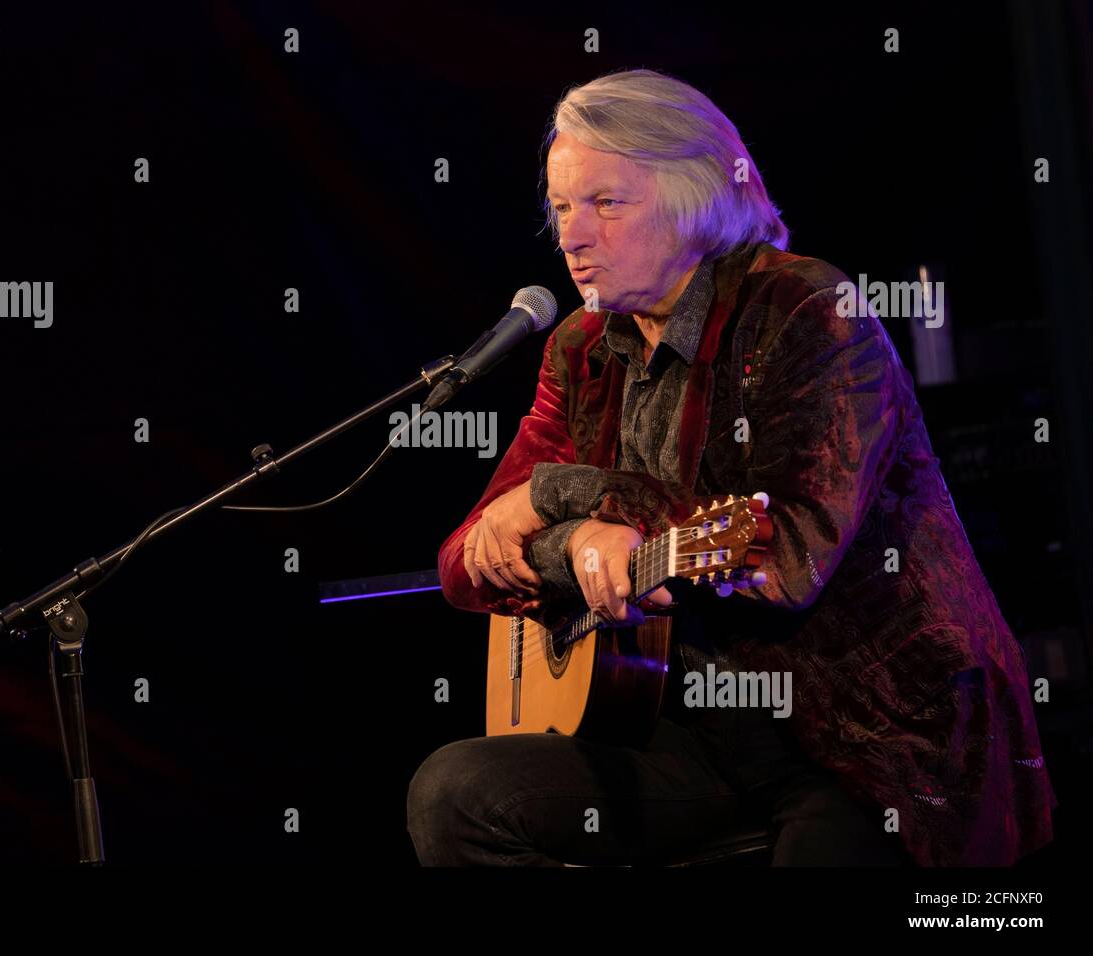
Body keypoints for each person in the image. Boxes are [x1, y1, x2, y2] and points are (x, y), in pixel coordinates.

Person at [406, 68, 1056, 867]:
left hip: (860, 738)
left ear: (695, 200)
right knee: (451, 794)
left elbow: (785, 556)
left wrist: (570, 495)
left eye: (606, 203)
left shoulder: (807, 310)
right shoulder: (580, 347)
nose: (572, 236)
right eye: (562, 206)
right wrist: (577, 543)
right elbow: (465, 562)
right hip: (686, 729)